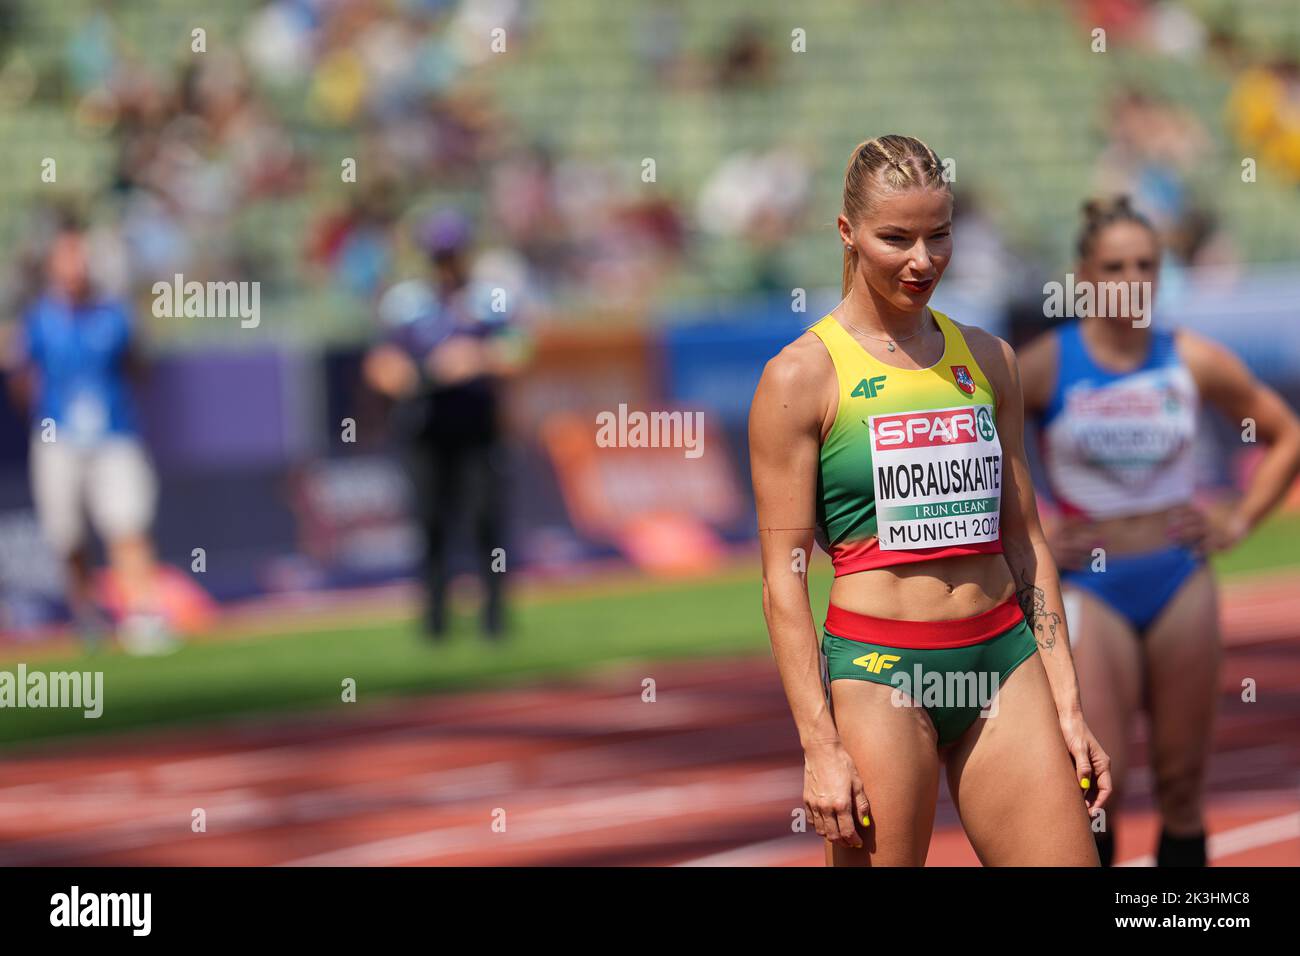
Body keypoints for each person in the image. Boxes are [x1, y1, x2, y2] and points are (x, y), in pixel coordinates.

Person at [748, 135, 1111, 866]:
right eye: (897, 238)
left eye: (939, 235)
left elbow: (1026, 540)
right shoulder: (800, 378)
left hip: (1004, 660)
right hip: (881, 674)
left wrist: (1068, 702)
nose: (923, 260)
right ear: (847, 233)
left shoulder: (988, 358)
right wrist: (820, 746)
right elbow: (782, 582)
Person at [1019, 196, 1300, 866]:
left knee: (1181, 783)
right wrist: (1028, 535)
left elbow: (1285, 434)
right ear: (1083, 278)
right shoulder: (1043, 365)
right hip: (1091, 586)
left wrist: (1238, 517)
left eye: (1147, 265)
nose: (1132, 280)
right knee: (1094, 785)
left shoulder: (1190, 358)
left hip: (1178, 576)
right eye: (1115, 267)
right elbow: (982, 449)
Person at [3, 217, 176, 655]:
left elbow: (140, 367)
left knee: (127, 523)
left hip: (114, 434)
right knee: (67, 535)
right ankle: (87, 614)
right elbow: (24, 379)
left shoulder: (116, 314)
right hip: (58, 436)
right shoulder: (39, 320)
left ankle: (142, 614)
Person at [363, 210, 526, 640]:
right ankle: (434, 622)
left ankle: (494, 619)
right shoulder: (406, 302)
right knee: (430, 524)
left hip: (477, 428)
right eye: (439, 255)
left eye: (452, 254)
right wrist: (403, 374)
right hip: (425, 429)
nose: (446, 263)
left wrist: (476, 359)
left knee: (484, 520)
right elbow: (380, 362)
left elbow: (518, 349)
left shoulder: (489, 298)